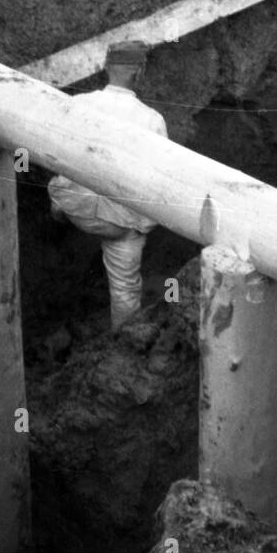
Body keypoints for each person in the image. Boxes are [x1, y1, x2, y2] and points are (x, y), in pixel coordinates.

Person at [48, 40, 167, 334]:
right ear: (138, 73)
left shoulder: (78, 104)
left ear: (106, 67)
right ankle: (123, 341)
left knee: (63, 179)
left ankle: (57, 210)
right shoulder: (151, 120)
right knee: (125, 289)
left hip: (75, 208)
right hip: (119, 226)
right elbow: (159, 179)